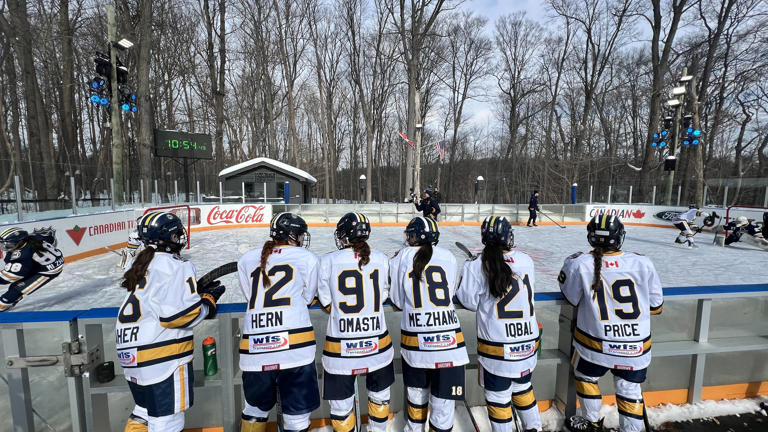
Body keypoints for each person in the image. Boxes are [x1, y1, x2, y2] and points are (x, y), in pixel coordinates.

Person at [116, 211, 225, 432]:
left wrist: (192, 294)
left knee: (143, 412)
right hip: (161, 357)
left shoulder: (139, 263)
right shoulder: (176, 264)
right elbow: (178, 316)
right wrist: (206, 303)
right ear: (170, 237)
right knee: (168, 421)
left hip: (130, 353)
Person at [558, 215, 663, 432]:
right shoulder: (642, 262)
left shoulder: (579, 263)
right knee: (630, 390)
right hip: (635, 347)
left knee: (586, 377)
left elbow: (571, 298)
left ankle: (591, 422)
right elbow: (656, 306)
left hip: (594, 345)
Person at [457, 216, 542, 432]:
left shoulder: (477, 265)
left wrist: (470, 270)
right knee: (523, 389)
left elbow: (468, 301)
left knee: (498, 399)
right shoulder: (526, 260)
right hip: (527, 344)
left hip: (497, 349)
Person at [237, 212, 320, 432]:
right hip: (295, 349)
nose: (302, 239)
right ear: (292, 235)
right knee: (297, 419)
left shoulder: (246, 259)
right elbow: (308, 298)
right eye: (300, 235)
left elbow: (249, 296)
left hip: (255, 349)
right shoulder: (307, 259)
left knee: (254, 410)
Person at [389, 217, 468, 432]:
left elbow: (397, 300)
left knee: (416, 402)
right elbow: (451, 293)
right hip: (449, 344)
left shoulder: (401, 257)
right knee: (443, 410)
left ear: (416, 237)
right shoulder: (449, 256)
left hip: (416, 345)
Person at [318, 213, 394, 432]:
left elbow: (326, 301)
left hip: (340, 349)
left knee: (341, 409)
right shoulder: (381, 258)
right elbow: (382, 295)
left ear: (344, 236)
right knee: (380, 399)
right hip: (377, 346)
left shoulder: (328, 260)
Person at [0, 227, 64, 312]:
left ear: (20, 241)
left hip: (49, 271)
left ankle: (3, 305)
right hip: (48, 263)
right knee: (15, 286)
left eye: (9, 244)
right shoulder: (34, 237)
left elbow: (9, 277)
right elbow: (50, 238)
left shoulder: (22, 255)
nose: (4, 247)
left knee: (16, 290)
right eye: (3, 244)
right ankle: (14, 299)